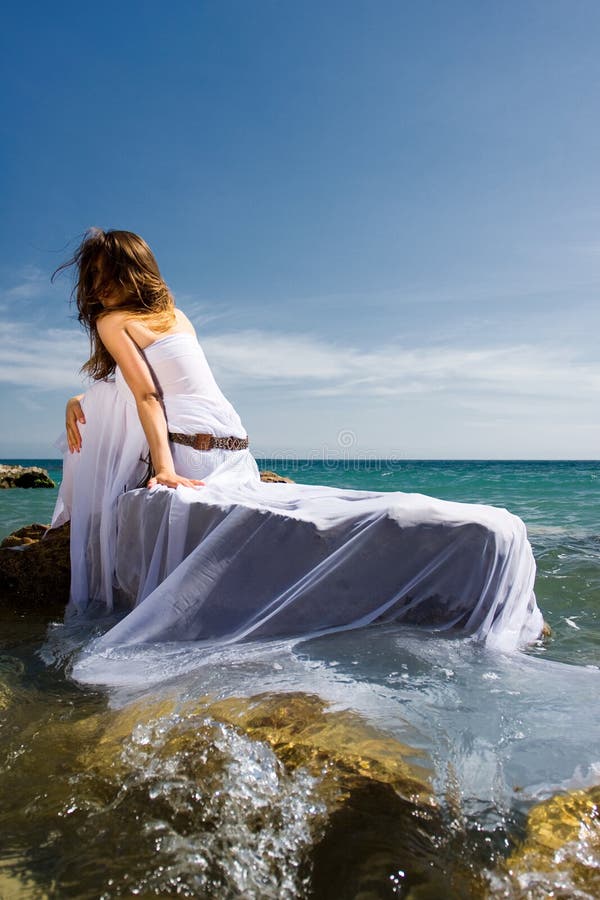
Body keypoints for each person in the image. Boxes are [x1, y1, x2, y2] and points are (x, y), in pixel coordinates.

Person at [51, 227, 543, 653]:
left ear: (134, 270)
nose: (99, 289)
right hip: (227, 453)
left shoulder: (138, 320)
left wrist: (159, 463)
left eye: (106, 274)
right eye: (92, 279)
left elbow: (151, 392)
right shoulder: (166, 317)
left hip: (209, 458)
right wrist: (90, 402)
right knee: (333, 513)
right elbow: (150, 389)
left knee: (327, 516)